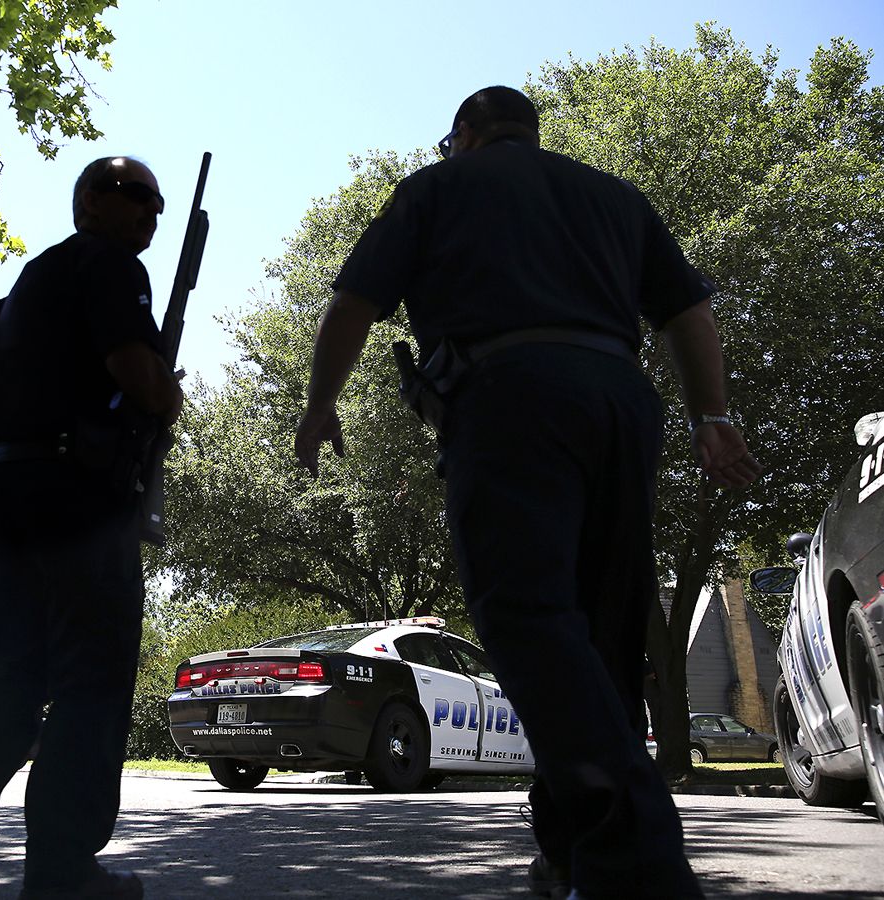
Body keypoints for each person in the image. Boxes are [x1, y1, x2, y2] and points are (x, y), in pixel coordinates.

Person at [294, 86, 760, 899]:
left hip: (509, 399)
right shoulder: (613, 195)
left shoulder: (436, 187)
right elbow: (687, 313)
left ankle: (636, 859)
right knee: (601, 638)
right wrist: (710, 416)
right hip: (619, 404)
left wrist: (320, 403)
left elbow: (352, 303)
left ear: (465, 135)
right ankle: (570, 851)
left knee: (529, 621)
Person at [0, 155, 183, 900]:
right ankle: (63, 871)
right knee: (90, 687)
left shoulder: (38, 280)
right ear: (91, 200)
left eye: (157, 208)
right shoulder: (109, 265)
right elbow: (138, 373)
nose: (149, 218)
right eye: (138, 199)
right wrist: (167, 399)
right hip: (78, 499)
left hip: (4, 495)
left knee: (9, 679)